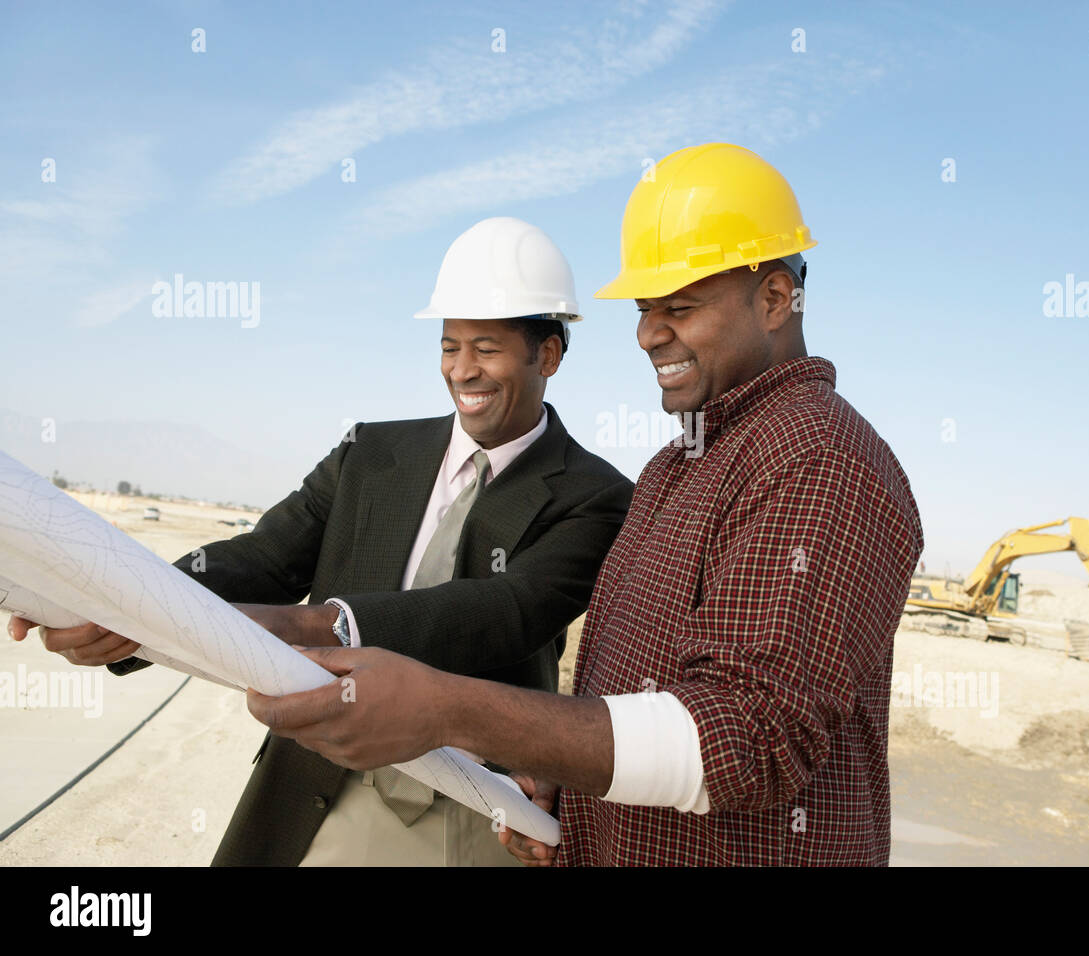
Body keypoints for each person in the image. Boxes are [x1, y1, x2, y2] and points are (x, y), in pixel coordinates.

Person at [240, 144, 924, 866]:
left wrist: (441, 706)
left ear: (776, 299)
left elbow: (748, 739)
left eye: (680, 307)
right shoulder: (677, 467)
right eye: (644, 308)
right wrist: (570, 785)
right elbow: (642, 708)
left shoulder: (818, 459)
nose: (649, 333)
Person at [10, 217, 633, 867]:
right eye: (450, 346)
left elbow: (504, 611)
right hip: (318, 788)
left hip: (475, 813)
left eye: (487, 348)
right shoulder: (371, 452)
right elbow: (264, 558)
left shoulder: (595, 495)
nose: (463, 370)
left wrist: (326, 625)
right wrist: (126, 604)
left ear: (550, 356)